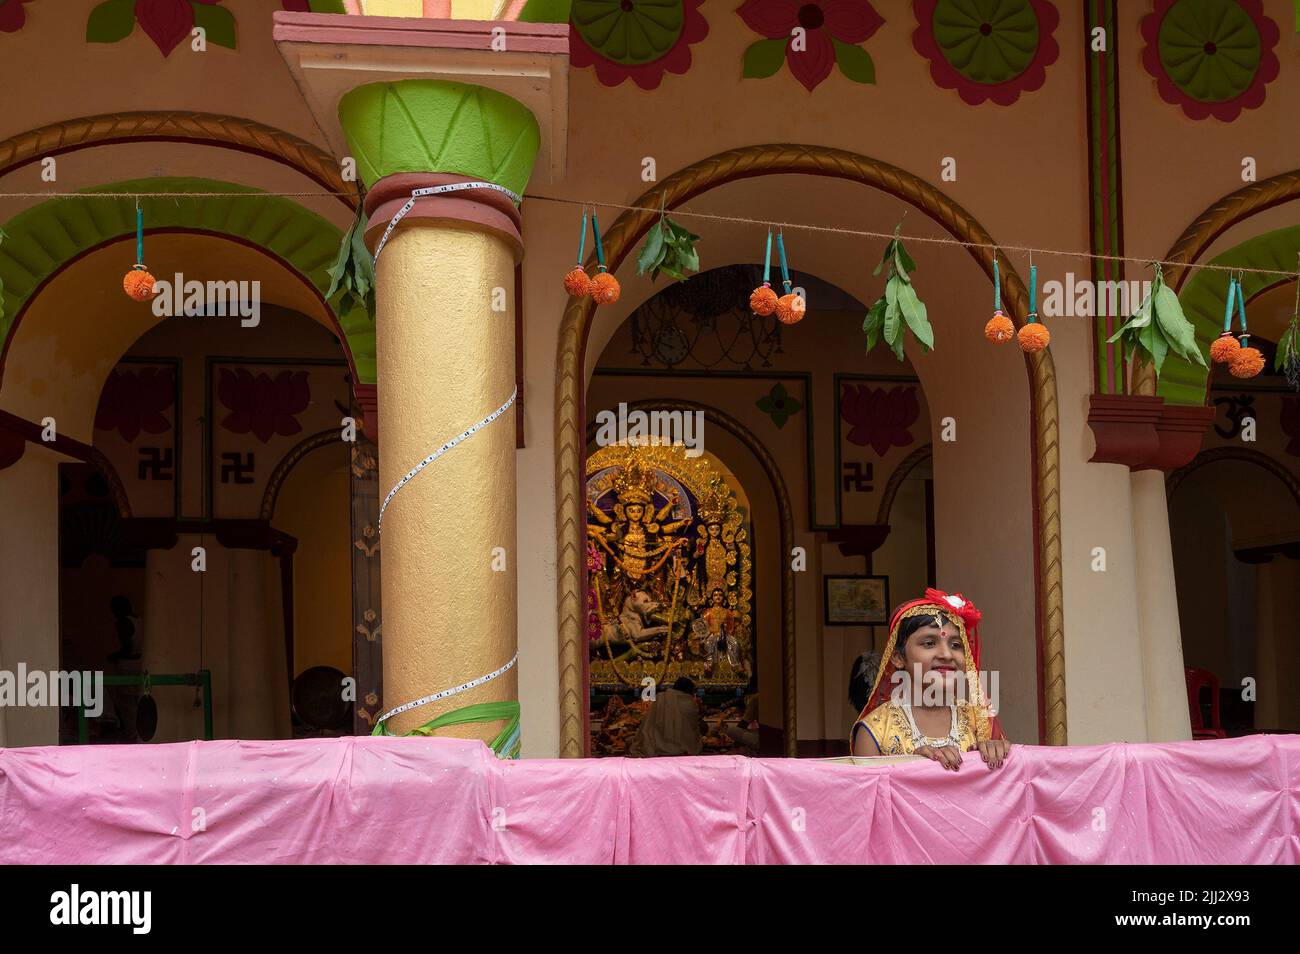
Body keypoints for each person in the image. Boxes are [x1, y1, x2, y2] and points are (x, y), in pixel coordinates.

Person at [850, 588, 1010, 771]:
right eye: (929, 643)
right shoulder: (875, 732)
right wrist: (912, 769)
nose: (946, 654)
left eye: (956, 645)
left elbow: (1001, 789)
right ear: (898, 658)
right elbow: (872, 797)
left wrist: (999, 753)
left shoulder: (979, 720)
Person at [629, 676, 703, 757]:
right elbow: (693, 727)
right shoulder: (689, 702)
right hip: (685, 744)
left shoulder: (661, 697)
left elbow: (648, 722)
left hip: (656, 742)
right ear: (689, 690)